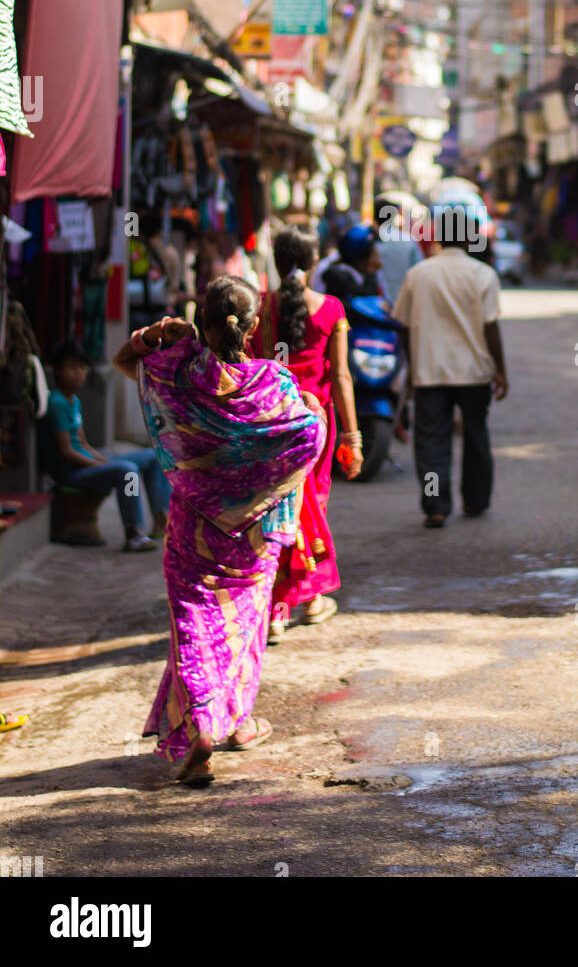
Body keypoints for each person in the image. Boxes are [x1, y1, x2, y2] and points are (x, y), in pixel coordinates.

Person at [112, 280, 326, 787]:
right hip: (254, 538)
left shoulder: (177, 372)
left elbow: (126, 363)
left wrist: (153, 335)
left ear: (199, 321)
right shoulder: (273, 382)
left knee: (194, 627)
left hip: (194, 531)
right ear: (253, 328)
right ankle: (231, 721)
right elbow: (308, 435)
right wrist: (315, 415)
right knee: (241, 630)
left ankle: (204, 729)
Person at [249, 229, 362, 637]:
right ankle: (308, 598)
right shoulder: (331, 309)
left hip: (270, 425)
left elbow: (252, 370)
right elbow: (343, 376)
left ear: (276, 263)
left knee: (277, 509)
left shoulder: (259, 309)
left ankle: (277, 609)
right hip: (315, 427)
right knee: (311, 504)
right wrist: (353, 437)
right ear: (314, 263)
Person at [392, 203, 508, 529]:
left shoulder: (418, 274)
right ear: (470, 239)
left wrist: (413, 368)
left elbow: (402, 325)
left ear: (437, 238)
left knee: (431, 441)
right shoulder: (484, 274)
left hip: (430, 371)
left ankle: (435, 505)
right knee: (476, 436)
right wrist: (501, 370)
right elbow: (491, 327)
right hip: (474, 372)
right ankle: (475, 500)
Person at [44, 341, 167, 551]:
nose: (79, 372)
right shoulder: (56, 402)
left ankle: (161, 521)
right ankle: (134, 531)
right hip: (72, 472)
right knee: (127, 471)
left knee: (153, 456)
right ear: (57, 369)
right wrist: (97, 464)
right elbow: (67, 452)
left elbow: (82, 443)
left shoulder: (73, 400)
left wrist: (101, 460)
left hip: (86, 461)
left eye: (82, 367)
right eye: (73, 367)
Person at [322, 224, 387, 309]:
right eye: (373, 252)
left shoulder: (358, 274)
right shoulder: (339, 276)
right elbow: (365, 302)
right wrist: (371, 271)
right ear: (361, 258)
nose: (377, 256)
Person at [373, 197, 423, 304]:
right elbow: (420, 271)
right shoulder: (408, 241)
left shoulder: (370, 240)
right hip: (403, 304)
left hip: (375, 304)